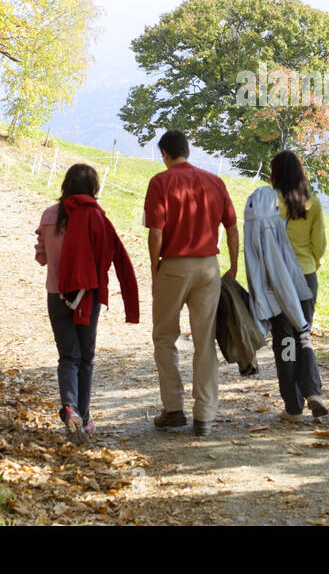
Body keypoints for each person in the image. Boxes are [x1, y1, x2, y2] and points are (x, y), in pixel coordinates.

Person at [35, 163, 139, 445]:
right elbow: (106, 257)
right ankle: (84, 415)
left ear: (65, 185)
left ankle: (69, 408)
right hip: (86, 297)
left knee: (68, 356)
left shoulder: (48, 215)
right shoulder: (96, 217)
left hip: (56, 295)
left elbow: (41, 256)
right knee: (86, 359)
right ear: (94, 189)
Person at [144, 129, 239, 437]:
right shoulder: (215, 181)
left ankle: (173, 409)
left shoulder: (160, 182)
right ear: (188, 151)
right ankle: (205, 415)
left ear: (165, 155)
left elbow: (156, 232)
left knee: (165, 337)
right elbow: (233, 227)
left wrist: (154, 267)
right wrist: (234, 266)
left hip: (174, 265)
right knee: (204, 340)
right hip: (209, 267)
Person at [264, 149, 327, 422]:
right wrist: (313, 264)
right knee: (303, 334)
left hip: (278, 280)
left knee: (285, 339)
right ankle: (313, 391)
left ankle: (293, 405)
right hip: (306, 276)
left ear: (275, 173)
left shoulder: (267, 202)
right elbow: (320, 244)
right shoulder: (312, 202)